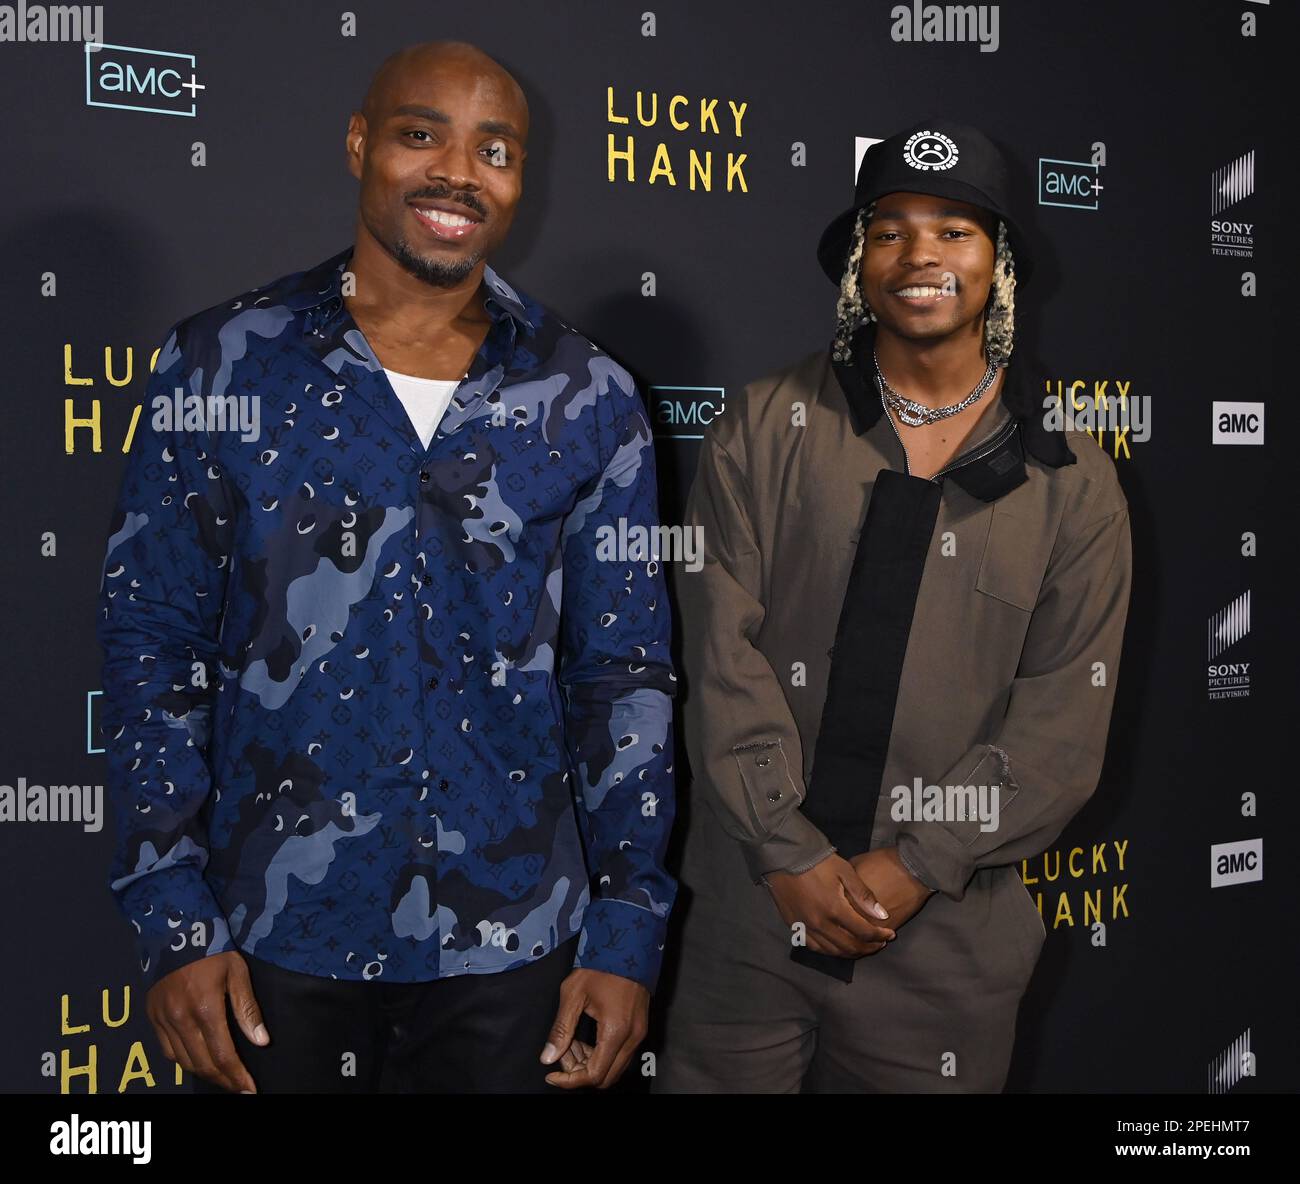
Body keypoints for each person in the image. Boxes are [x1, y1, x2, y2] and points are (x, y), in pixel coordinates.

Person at [95, 40, 677, 1094]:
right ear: (361, 144)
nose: (460, 173)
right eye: (422, 135)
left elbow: (621, 673)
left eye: (495, 150)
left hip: (516, 954)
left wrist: (626, 923)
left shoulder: (590, 394)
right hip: (272, 938)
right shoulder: (222, 361)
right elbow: (154, 643)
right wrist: (169, 910)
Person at [655, 119, 1132, 1092]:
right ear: (857, 263)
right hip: (750, 922)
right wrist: (788, 853)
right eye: (890, 229)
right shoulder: (763, 425)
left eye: (954, 230)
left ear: (997, 263)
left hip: (946, 952)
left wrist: (916, 863)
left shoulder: (1073, 479)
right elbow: (719, 656)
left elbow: (1058, 731)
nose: (920, 256)